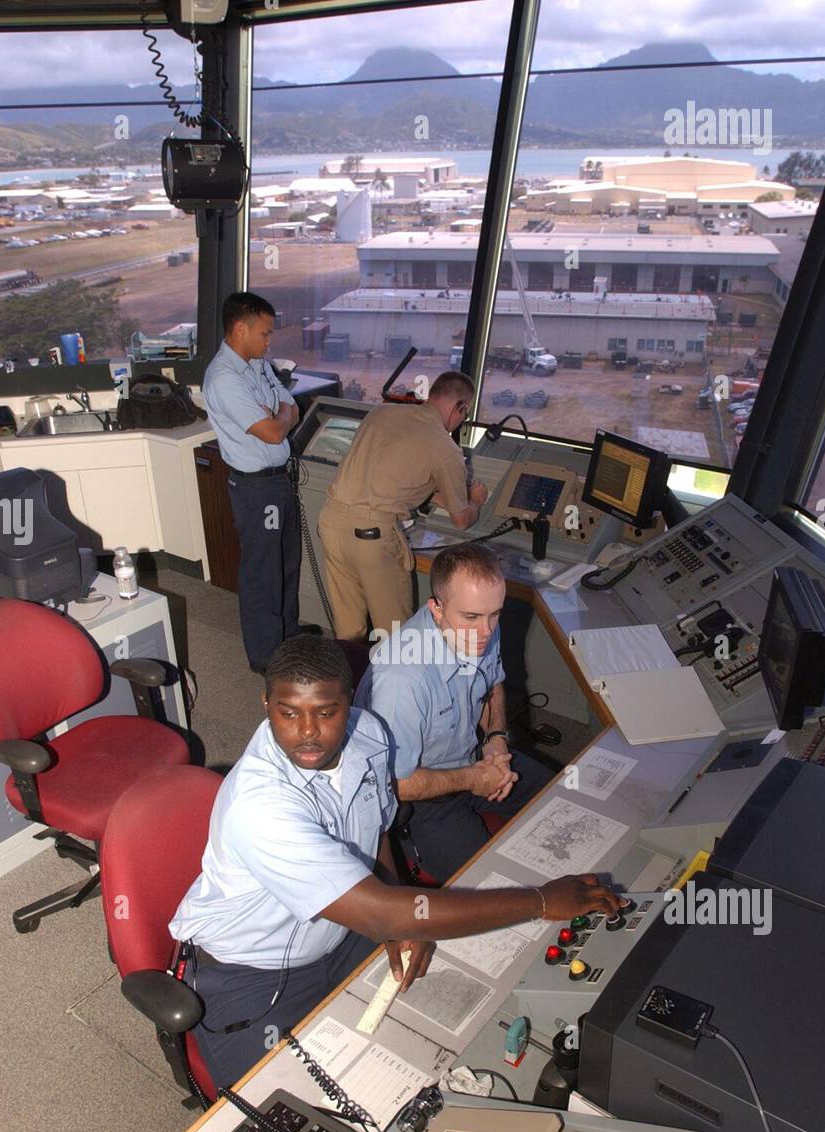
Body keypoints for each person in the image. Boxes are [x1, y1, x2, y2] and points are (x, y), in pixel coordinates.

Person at [169, 637, 623, 1088]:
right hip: (251, 973)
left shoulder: (367, 733)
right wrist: (541, 900)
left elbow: (376, 827)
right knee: (293, 1114)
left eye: (326, 713)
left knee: (442, 1034)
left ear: (350, 702)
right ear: (266, 703)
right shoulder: (260, 805)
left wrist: (399, 911)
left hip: (341, 932)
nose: (308, 732)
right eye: (288, 713)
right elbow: (381, 910)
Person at [356, 543, 554, 883]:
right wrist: (474, 779)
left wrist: (496, 739)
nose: (487, 631)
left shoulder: (481, 622)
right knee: (491, 889)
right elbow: (395, 783)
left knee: (565, 797)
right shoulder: (403, 678)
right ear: (436, 608)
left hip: (474, 759)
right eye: (473, 617)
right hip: (421, 798)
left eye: (496, 614)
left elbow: (493, 685)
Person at [317, 371, 488, 641]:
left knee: (348, 629)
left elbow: (393, 478)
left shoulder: (381, 413)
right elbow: (461, 520)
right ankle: (391, 682)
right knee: (395, 635)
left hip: (331, 521)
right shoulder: (445, 448)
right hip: (371, 537)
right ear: (461, 407)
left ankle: (350, 680)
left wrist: (433, 491)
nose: (459, 423)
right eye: (463, 417)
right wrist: (476, 501)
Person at [203, 291, 315, 675]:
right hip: (256, 488)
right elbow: (271, 431)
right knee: (262, 572)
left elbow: (292, 408)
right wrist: (279, 420)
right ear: (240, 328)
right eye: (264, 334)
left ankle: (288, 635)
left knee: (286, 563)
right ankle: (267, 655)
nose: (269, 342)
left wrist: (280, 417)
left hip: (278, 482)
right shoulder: (223, 378)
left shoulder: (257, 366)